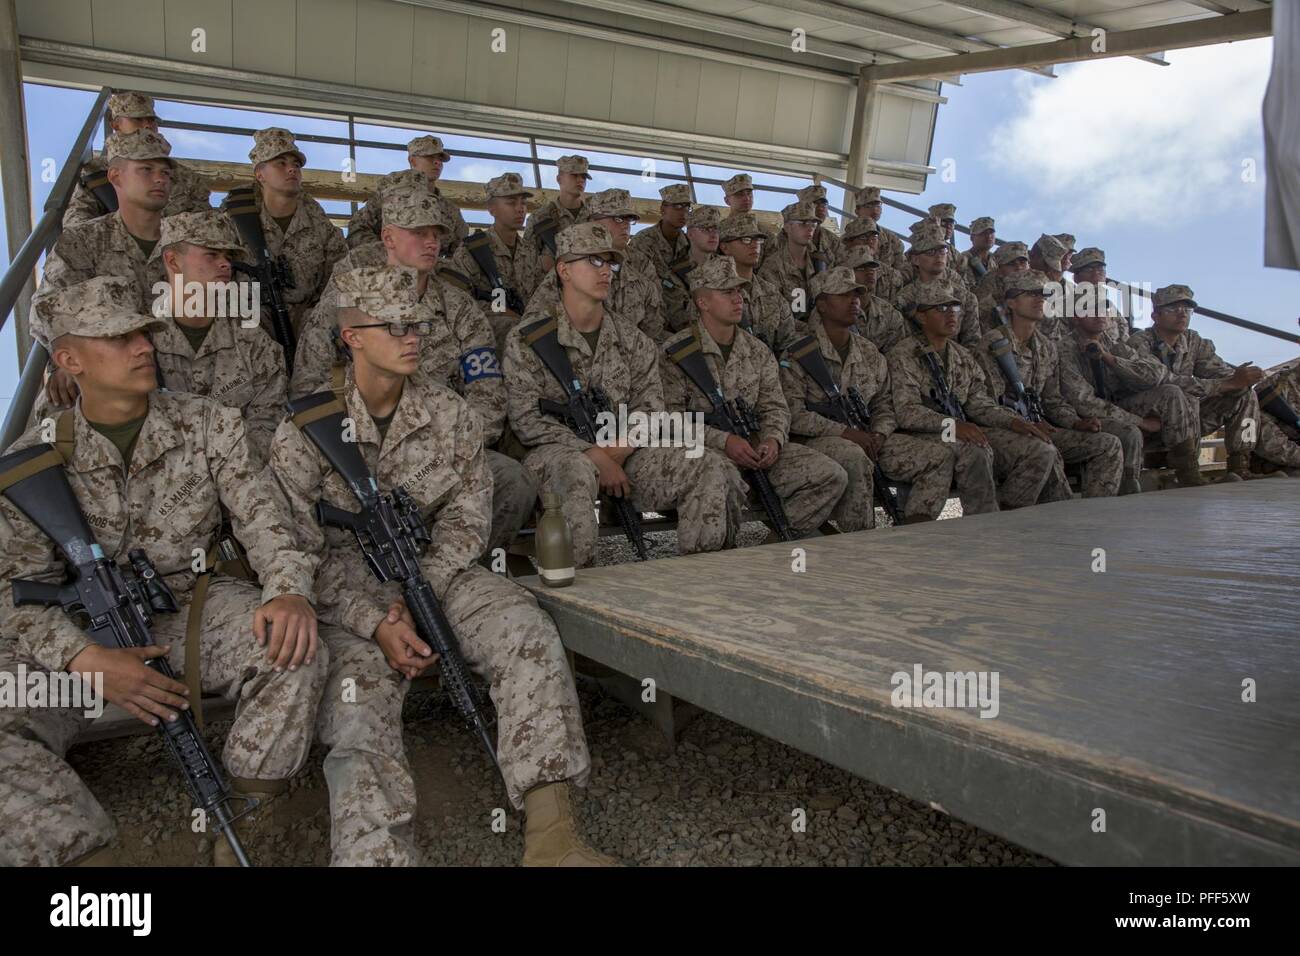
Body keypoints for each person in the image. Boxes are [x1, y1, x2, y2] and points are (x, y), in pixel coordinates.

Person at [271, 265, 614, 866]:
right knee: (359, 697)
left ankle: (552, 835)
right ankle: (373, 854)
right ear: (352, 335)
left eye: (420, 325)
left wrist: (419, 590)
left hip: (436, 570)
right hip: (344, 593)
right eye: (397, 325)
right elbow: (295, 551)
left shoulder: (451, 413)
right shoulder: (303, 429)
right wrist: (376, 619)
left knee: (524, 629)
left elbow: (467, 516)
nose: (414, 337)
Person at [0, 277, 327, 867]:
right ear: (70, 359)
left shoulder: (210, 423)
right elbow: (10, 590)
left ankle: (245, 827)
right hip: (75, 638)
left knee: (295, 648)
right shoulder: (30, 464)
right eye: (119, 338)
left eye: (144, 333)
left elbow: (266, 521)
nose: (145, 347)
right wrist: (86, 659)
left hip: (183, 610)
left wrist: (287, 592)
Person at [293, 185, 538, 552]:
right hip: (359, 452)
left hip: (446, 446)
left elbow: (487, 396)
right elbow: (309, 388)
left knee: (513, 480)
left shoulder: (460, 309)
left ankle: (462, 567)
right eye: (419, 232)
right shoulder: (346, 304)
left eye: (437, 233)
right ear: (388, 237)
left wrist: (447, 448)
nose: (432, 242)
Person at [504, 224, 743, 566]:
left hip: (626, 452)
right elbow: (526, 419)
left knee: (704, 464)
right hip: (554, 456)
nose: (605, 271)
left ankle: (699, 577)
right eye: (592, 261)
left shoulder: (633, 340)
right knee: (576, 470)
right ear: (564, 270)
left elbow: (652, 408)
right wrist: (594, 454)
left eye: (610, 263)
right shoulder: (527, 339)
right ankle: (576, 592)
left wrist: (619, 448)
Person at [661, 257, 847, 536]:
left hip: (755, 449)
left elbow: (775, 407)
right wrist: (724, 441)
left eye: (739, 291)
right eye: (727, 292)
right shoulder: (676, 352)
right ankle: (716, 558)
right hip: (705, 453)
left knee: (830, 475)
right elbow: (667, 419)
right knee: (719, 476)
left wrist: (772, 439)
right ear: (703, 302)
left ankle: (775, 545)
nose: (739, 299)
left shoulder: (757, 350)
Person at [781, 266, 955, 526]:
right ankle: (859, 539)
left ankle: (915, 529)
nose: (854, 301)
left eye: (856, 295)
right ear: (823, 305)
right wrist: (845, 433)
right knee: (854, 457)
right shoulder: (798, 353)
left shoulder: (869, 352)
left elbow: (884, 403)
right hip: (818, 442)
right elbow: (793, 415)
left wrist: (880, 433)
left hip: (868, 437)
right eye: (843, 296)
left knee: (938, 457)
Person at [888, 280, 1066, 512]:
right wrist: (953, 425)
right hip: (922, 434)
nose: (951, 315)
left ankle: (1009, 512)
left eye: (955, 309)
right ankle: (983, 520)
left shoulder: (962, 356)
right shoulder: (903, 354)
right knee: (975, 449)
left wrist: (1013, 421)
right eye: (941, 309)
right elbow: (907, 412)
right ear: (921, 317)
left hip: (961, 429)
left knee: (1041, 449)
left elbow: (979, 403)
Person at [39, 129, 178, 407]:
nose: (160, 178)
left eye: (165, 172)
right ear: (115, 176)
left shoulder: (186, 242)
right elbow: (49, 306)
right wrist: (65, 359)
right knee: (59, 407)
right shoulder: (82, 241)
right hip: (109, 364)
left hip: (179, 364)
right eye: (146, 169)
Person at [973, 272, 1124, 498]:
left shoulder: (1047, 347)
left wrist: (1075, 422)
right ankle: (1011, 514)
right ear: (1011, 303)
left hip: (1037, 427)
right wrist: (1019, 423)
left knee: (1108, 444)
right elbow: (984, 403)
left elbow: (1052, 400)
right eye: (1030, 294)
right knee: (1046, 451)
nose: (1039, 299)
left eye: (1043, 294)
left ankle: (1096, 514)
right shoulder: (994, 344)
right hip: (1001, 428)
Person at [1057, 283, 1202, 489]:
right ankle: (1128, 483)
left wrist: (1110, 359)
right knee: (1130, 431)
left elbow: (1152, 376)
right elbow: (1083, 402)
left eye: (1103, 308)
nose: (1099, 314)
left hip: (1118, 405)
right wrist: (1140, 421)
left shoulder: (1113, 343)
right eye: (1089, 309)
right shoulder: (1066, 348)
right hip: (1086, 417)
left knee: (1172, 392)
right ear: (1075, 317)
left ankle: (1188, 471)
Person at [1127, 284, 1269, 481]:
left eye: (1187, 310)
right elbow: (1164, 380)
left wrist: (1241, 378)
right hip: (1146, 421)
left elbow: (1218, 371)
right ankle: (1188, 471)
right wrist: (1226, 383)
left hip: (1185, 421)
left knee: (1244, 392)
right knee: (1174, 391)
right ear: (1155, 316)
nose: (1182, 315)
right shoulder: (1139, 342)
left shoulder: (1194, 341)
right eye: (1173, 309)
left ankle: (1241, 464)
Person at [231, 128, 347, 334]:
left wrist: (317, 318)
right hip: (250, 325)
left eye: (296, 165)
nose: (291, 170)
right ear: (259, 174)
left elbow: (339, 279)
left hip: (310, 324)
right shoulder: (235, 220)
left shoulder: (320, 226)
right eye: (281, 164)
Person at [525, 188, 668, 342]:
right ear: (593, 221)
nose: (625, 225)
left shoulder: (641, 264)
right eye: (618, 219)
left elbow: (655, 328)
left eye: (629, 219)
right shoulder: (572, 265)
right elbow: (534, 325)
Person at [63, 91, 212, 227]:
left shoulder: (186, 176)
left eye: (151, 120)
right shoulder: (96, 174)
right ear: (115, 124)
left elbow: (205, 224)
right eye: (138, 119)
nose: (147, 125)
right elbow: (76, 224)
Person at [449, 173, 533, 352]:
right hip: (486, 329)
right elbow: (456, 299)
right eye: (511, 203)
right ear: (491, 208)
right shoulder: (472, 249)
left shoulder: (530, 250)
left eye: (523, 203)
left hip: (526, 324)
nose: (520, 209)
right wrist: (498, 310)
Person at [346, 134, 468, 254]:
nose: (437, 162)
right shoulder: (389, 196)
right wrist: (388, 256)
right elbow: (357, 230)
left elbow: (461, 249)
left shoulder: (451, 210)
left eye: (440, 159)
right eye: (430, 157)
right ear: (412, 160)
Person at [717, 212, 799, 355]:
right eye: (746, 239)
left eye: (758, 240)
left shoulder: (771, 293)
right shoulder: (712, 292)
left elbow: (788, 343)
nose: (755, 245)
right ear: (725, 247)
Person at [893, 223, 982, 347]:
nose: (938, 256)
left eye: (942, 250)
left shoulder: (965, 297)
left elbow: (972, 344)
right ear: (915, 259)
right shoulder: (905, 298)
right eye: (930, 252)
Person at [515, 155, 590, 300]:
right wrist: (544, 264)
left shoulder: (594, 217)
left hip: (586, 292)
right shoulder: (540, 218)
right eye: (574, 175)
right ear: (559, 179)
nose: (580, 180)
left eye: (584, 176)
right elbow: (526, 262)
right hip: (551, 294)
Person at [757, 201, 822, 323]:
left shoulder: (821, 263)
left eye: (813, 223)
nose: (809, 228)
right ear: (787, 227)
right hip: (789, 335)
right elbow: (772, 315)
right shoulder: (772, 267)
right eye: (803, 223)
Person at [662, 206, 722, 334]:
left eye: (716, 229)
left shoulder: (727, 267)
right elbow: (680, 319)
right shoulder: (676, 273)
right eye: (705, 229)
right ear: (690, 234)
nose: (713, 234)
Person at [845, 246, 909, 355]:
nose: (870, 272)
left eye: (872, 268)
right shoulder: (835, 308)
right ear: (847, 273)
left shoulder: (889, 312)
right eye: (861, 268)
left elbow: (898, 353)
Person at [627, 183, 691, 278]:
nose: (683, 212)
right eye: (677, 206)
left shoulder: (690, 243)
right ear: (663, 209)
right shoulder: (642, 241)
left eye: (687, 207)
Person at [973, 241, 1031, 331]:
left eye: (1023, 262)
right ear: (999, 270)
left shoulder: (1037, 283)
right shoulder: (988, 287)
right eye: (1011, 264)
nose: (1019, 267)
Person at [852, 186, 905, 270]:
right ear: (857, 211)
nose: (874, 209)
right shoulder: (847, 239)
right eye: (868, 205)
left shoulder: (892, 240)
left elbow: (902, 272)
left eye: (878, 204)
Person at [963, 217, 996, 288]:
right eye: (983, 233)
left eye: (991, 233)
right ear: (972, 237)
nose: (989, 236)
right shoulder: (963, 259)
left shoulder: (996, 259)